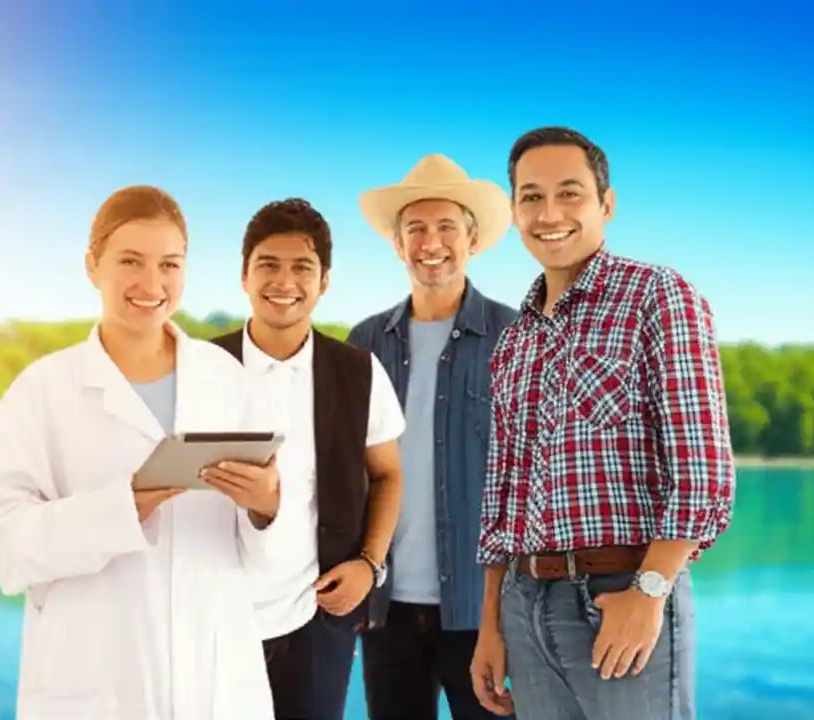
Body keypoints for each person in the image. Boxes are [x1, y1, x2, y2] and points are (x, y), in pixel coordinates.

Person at [0, 185, 294, 720]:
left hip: (216, 683)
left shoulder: (227, 379)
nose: (151, 283)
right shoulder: (43, 390)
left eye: (170, 264)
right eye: (130, 261)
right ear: (92, 265)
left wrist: (266, 506)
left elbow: (276, 554)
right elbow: (0, 541)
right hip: (94, 684)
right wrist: (121, 508)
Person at [471, 126, 736, 720]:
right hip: (523, 605)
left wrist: (647, 593)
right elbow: (502, 503)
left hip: (620, 595)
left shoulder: (657, 296)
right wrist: (490, 627)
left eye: (570, 193)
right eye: (531, 197)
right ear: (514, 212)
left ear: (605, 205)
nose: (549, 213)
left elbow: (703, 472)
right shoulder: (514, 342)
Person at [210, 198, 407, 719]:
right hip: (211, 611)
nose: (284, 281)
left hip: (318, 615)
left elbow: (387, 475)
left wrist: (370, 564)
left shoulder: (359, 371)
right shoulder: (201, 366)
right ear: (244, 276)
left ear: (324, 281)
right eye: (268, 265)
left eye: (303, 267)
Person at [348, 154, 521, 720]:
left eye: (447, 227)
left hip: (484, 611)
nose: (431, 242)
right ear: (398, 246)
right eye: (415, 229)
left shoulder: (516, 334)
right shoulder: (365, 341)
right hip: (385, 608)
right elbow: (349, 471)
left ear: (473, 240)